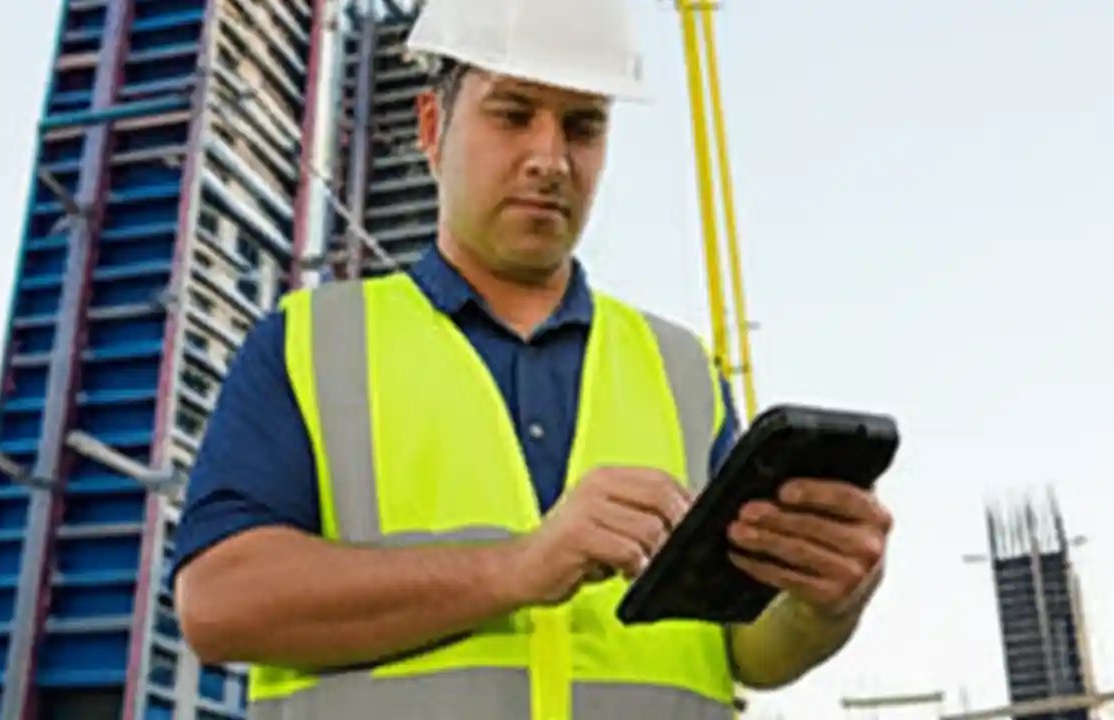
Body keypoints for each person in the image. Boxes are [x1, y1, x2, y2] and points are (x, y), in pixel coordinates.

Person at [171, 0, 894, 717]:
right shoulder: (310, 343)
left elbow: (743, 651)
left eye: (583, 126)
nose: (550, 160)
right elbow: (220, 603)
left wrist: (823, 608)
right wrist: (513, 567)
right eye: (513, 114)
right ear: (433, 128)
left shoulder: (683, 372)